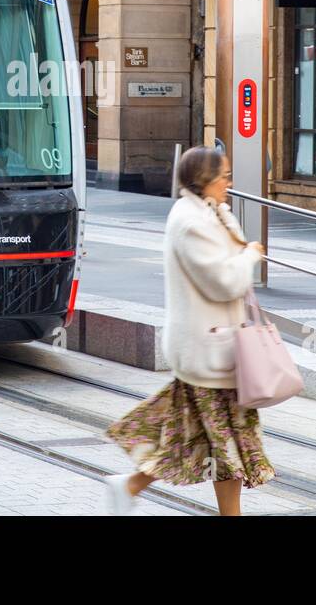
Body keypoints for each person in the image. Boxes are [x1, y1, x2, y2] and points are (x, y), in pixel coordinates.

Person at [104, 146, 275, 516]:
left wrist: (226, 217)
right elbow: (224, 282)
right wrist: (250, 256)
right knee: (228, 444)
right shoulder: (190, 222)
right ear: (204, 180)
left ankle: (129, 486)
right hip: (207, 351)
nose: (229, 182)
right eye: (224, 176)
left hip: (216, 348)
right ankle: (132, 487)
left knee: (194, 440)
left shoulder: (208, 214)